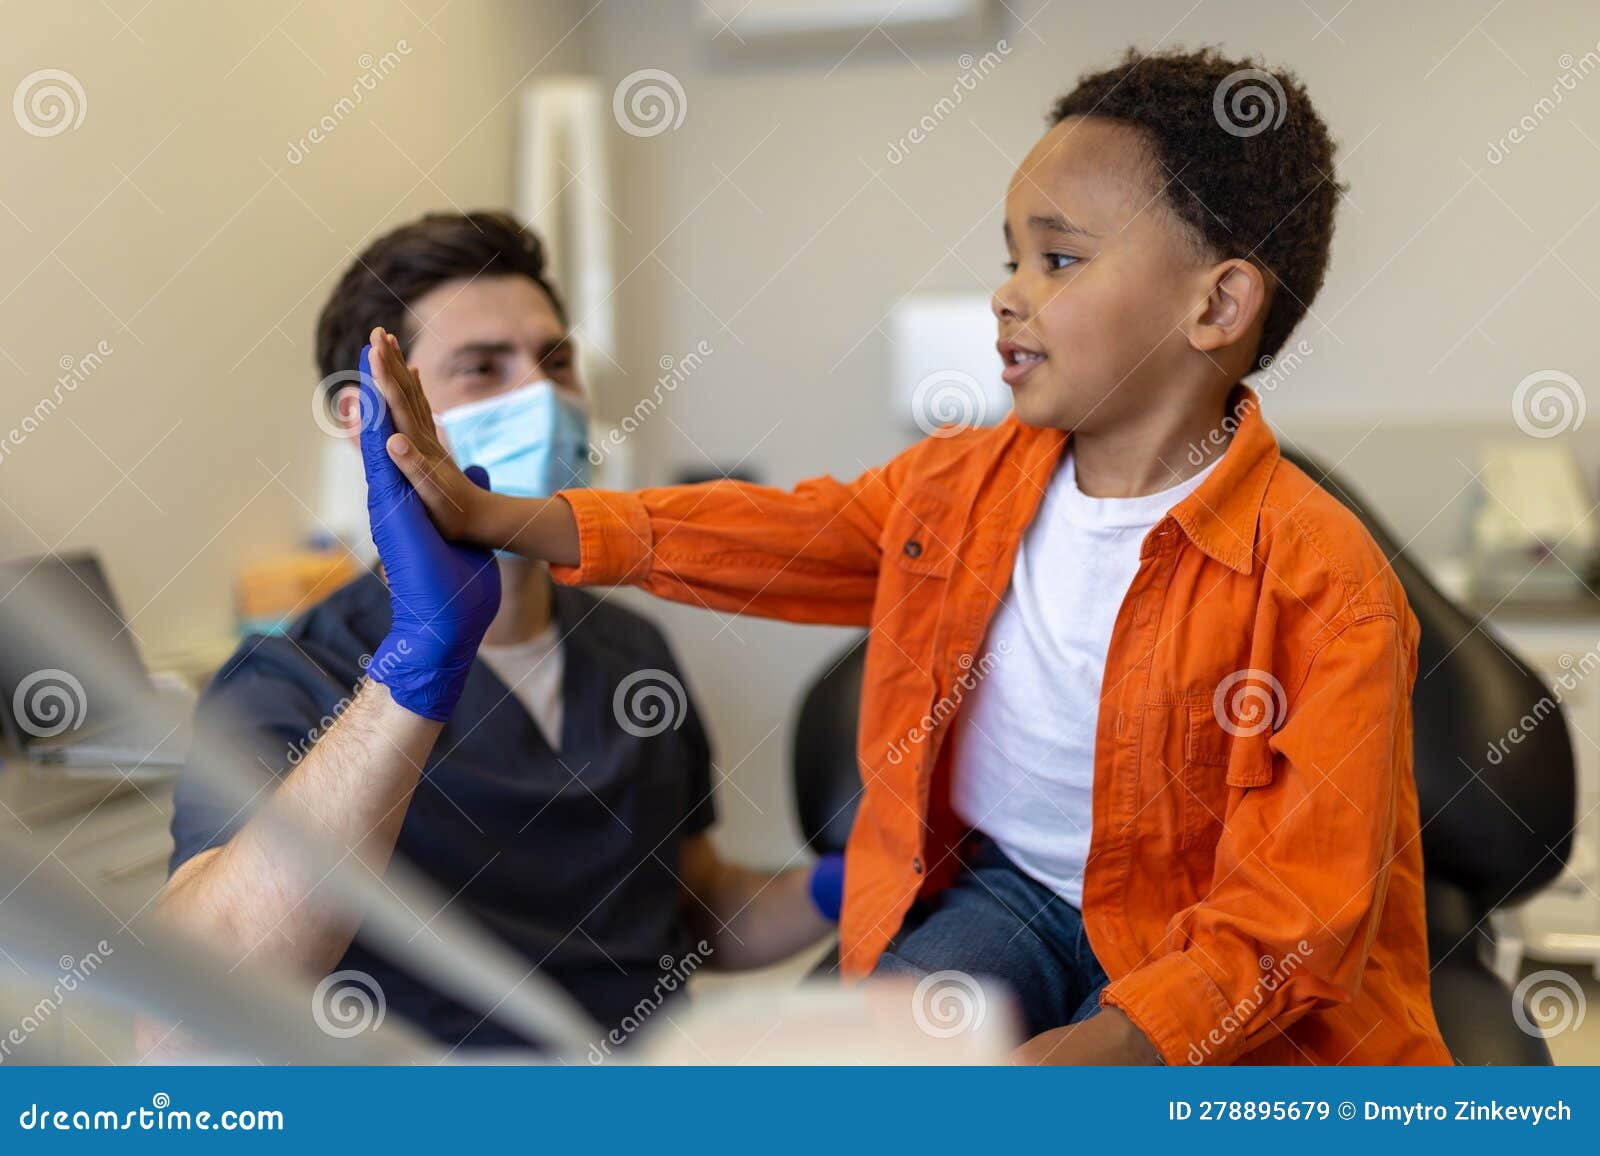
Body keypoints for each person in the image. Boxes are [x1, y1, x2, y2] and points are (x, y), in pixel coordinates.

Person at [359, 48, 1457, 1066]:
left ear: (1215, 303)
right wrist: (507, 517)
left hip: (1202, 947)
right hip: (1014, 896)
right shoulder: (957, 486)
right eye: (1011, 257)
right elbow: (768, 535)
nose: (1008, 291)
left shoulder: (1328, 583)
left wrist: (1095, 1052)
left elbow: (1294, 919)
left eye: (1059, 258)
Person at [155, 211, 839, 1053]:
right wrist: (419, 664)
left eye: (556, 362)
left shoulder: (631, 652)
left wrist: (844, 886)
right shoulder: (292, 679)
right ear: (368, 417)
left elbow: (692, 909)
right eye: (483, 368)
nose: (542, 398)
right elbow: (188, 1010)